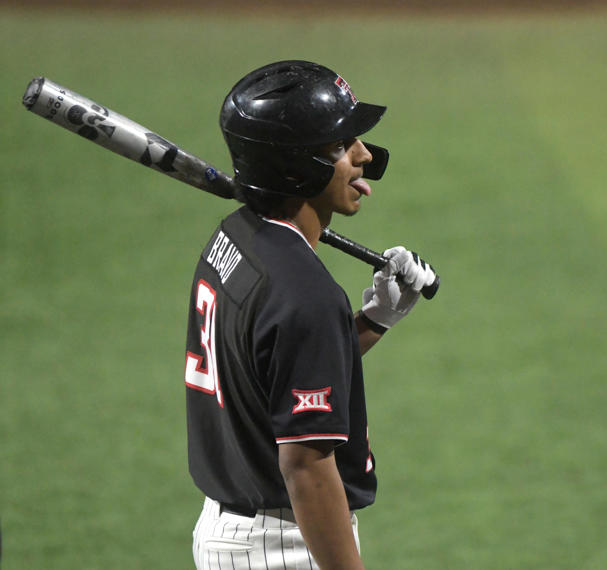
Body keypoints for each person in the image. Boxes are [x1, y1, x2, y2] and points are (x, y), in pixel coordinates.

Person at [184, 60, 435, 570]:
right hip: (284, 543)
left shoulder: (235, 237)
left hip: (234, 530)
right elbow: (306, 467)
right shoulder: (304, 292)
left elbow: (276, 371)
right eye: (341, 146)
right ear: (297, 167)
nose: (363, 154)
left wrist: (372, 321)